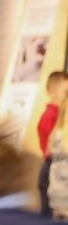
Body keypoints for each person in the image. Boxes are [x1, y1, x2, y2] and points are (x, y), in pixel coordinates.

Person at [37, 72, 66, 216]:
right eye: (65, 92)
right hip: (52, 168)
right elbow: (51, 149)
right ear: (51, 92)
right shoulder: (51, 117)